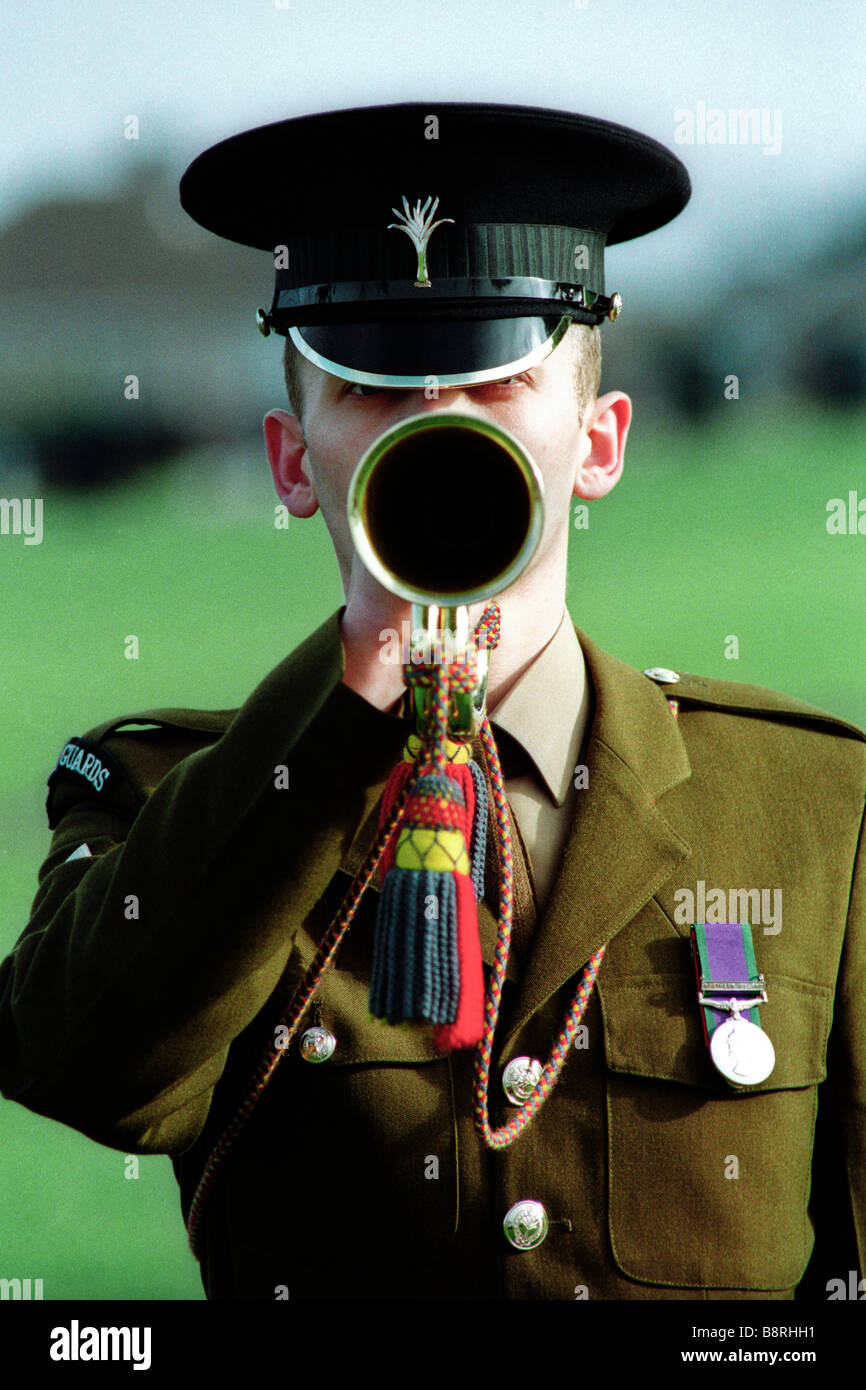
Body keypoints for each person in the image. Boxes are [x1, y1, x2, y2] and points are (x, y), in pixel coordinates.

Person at [1, 102, 863, 1302]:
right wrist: (349, 693)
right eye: (370, 390)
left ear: (598, 441)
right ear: (293, 462)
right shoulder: (158, 800)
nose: (438, 425)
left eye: (497, 380)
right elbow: (85, 1068)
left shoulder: (814, 802)